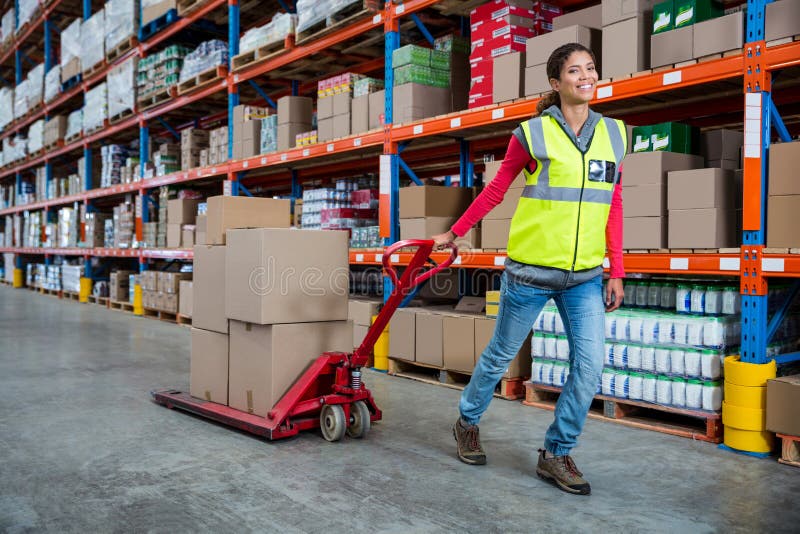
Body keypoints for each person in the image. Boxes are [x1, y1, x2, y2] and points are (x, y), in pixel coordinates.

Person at [432, 43, 626, 496]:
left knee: (591, 365)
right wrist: (456, 231)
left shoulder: (615, 134)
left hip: (584, 277)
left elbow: (613, 204)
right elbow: (496, 189)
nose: (586, 76)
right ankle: (467, 421)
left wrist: (617, 269)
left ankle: (556, 453)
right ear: (556, 84)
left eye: (591, 68)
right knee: (500, 356)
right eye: (575, 70)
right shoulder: (532, 134)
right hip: (530, 272)